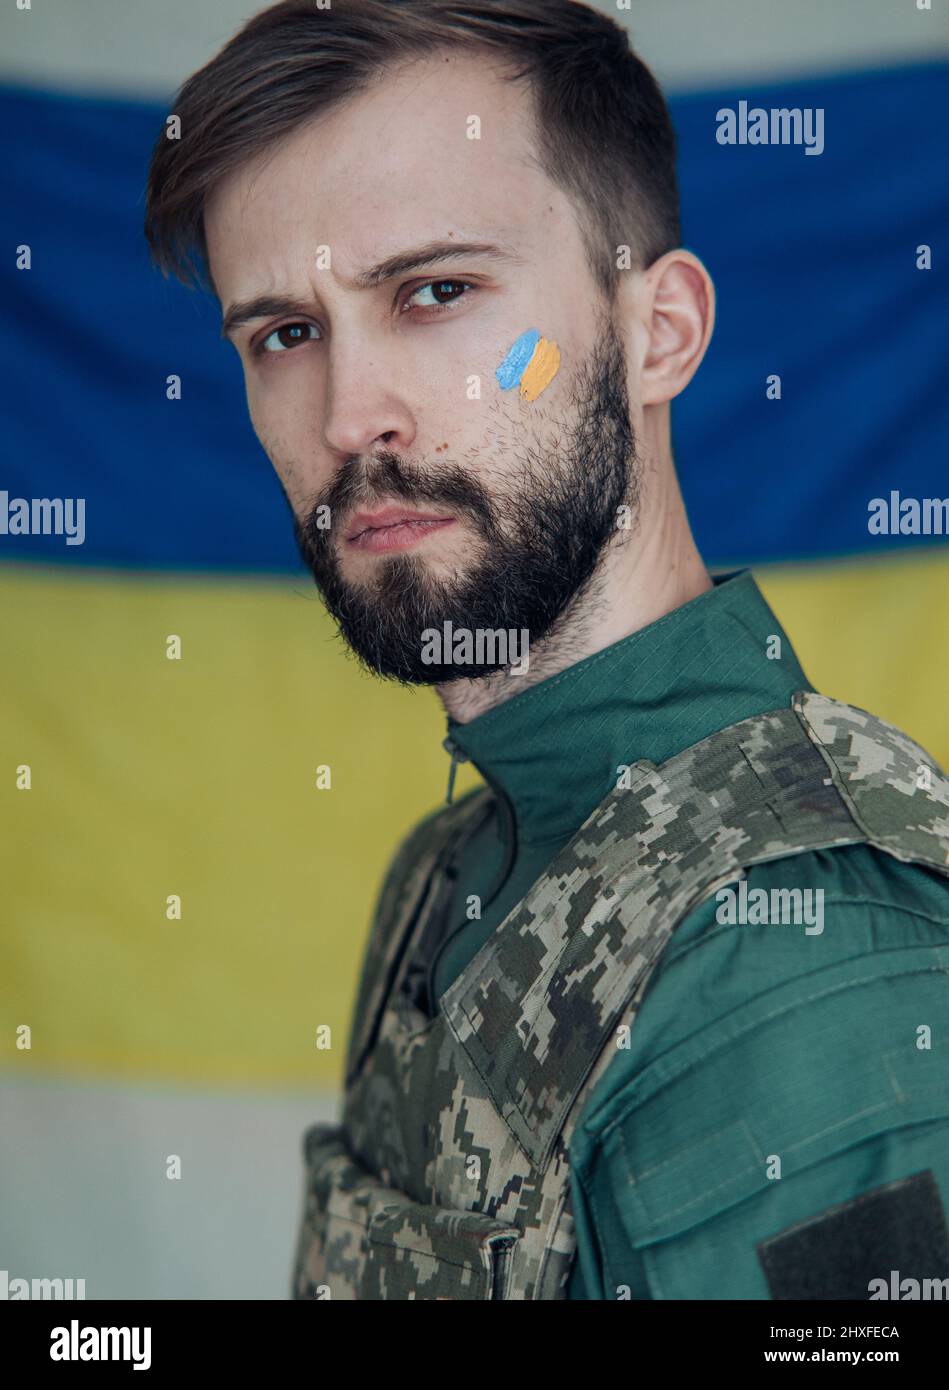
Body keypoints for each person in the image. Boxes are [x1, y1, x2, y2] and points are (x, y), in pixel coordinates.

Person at [144, 0, 949, 1300]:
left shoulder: (797, 953)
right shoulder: (453, 866)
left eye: (436, 291)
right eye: (284, 334)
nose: (351, 416)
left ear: (658, 333)